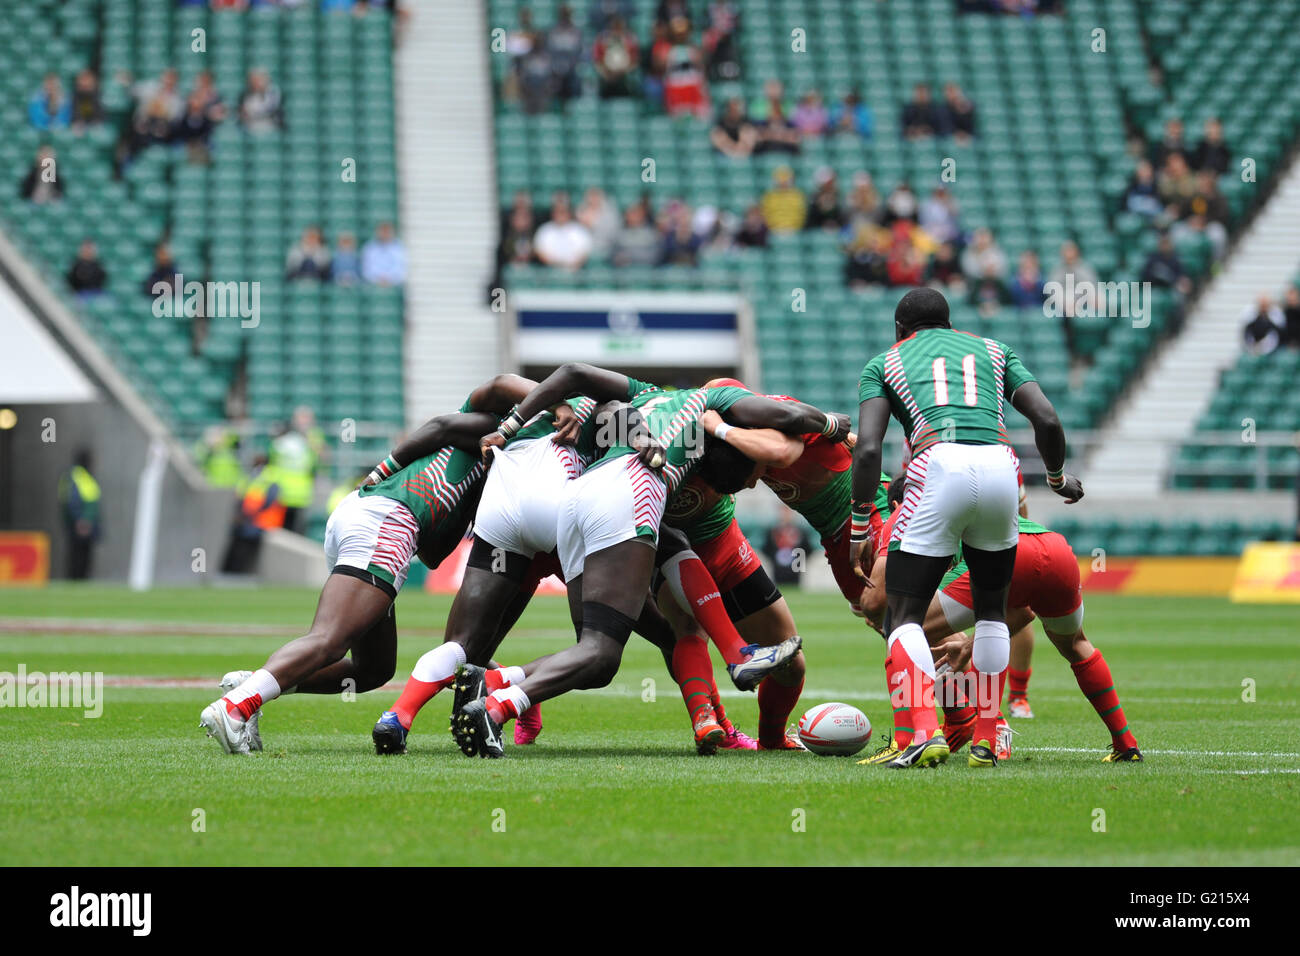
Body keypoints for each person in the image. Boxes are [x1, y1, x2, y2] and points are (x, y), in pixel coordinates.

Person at [457, 363, 851, 757]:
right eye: (751, 477)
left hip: (577, 492)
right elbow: (787, 421)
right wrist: (835, 424)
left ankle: (497, 682)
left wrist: (510, 426)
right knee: (602, 653)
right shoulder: (714, 399)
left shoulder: (647, 396)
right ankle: (496, 707)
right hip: (630, 490)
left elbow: (592, 391)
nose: (753, 482)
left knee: (597, 649)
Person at [201, 377, 534, 753]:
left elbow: (433, 554)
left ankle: (259, 682)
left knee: (372, 668)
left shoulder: (491, 474)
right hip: (387, 521)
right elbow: (494, 389)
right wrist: (556, 401)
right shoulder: (491, 425)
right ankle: (235, 706)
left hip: (375, 521)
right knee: (329, 640)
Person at [851, 287, 1083, 769]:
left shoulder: (883, 363)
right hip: (1002, 464)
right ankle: (985, 739)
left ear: (900, 329)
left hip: (938, 464)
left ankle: (922, 732)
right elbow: (1047, 418)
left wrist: (858, 527)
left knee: (902, 616)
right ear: (950, 323)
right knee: (993, 612)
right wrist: (1058, 478)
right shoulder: (996, 350)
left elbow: (869, 449)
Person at [58, 450, 101, 580]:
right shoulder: (78, 476)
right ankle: (76, 579)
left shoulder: (73, 475)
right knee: (79, 554)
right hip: (80, 524)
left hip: (79, 523)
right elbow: (73, 500)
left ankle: (78, 578)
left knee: (79, 553)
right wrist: (82, 520)